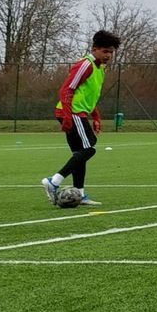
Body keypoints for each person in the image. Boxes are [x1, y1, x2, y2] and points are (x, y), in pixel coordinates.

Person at [41, 30, 122, 207]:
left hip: (78, 112)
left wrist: (96, 116)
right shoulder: (86, 65)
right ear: (94, 49)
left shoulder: (100, 68)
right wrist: (69, 116)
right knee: (89, 148)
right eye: (105, 51)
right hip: (73, 112)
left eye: (111, 52)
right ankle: (53, 181)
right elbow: (67, 90)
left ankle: (80, 193)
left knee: (79, 154)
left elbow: (88, 95)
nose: (109, 55)